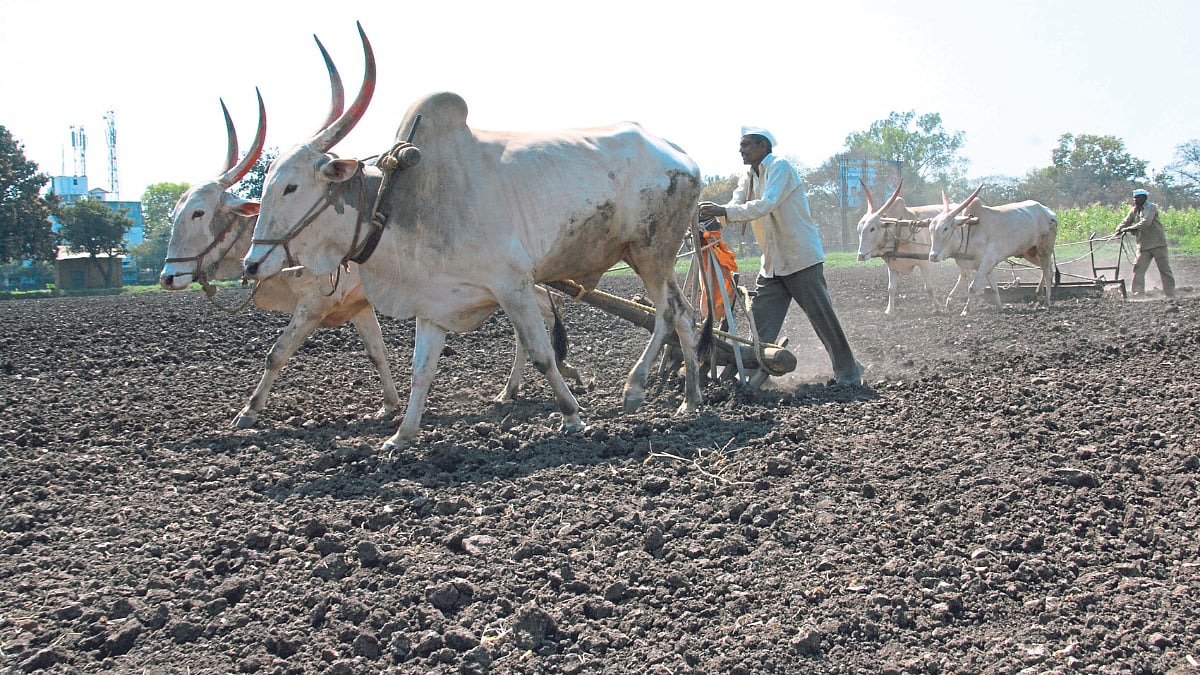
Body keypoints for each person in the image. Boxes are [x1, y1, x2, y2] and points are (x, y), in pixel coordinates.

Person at [699, 127, 863, 387]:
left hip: (800, 258)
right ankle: (756, 374)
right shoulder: (749, 177)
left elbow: (767, 203)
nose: (741, 150)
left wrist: (723, 211)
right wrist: (710, 216)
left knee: (822, 319)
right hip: (772, 264)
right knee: (762, 323)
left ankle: (849, 371)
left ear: (763, 146)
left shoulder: (780, 167)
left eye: (746, 145)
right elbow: (735, 203)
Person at [1116, 188, 1176, 298]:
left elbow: (1146, 222)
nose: (1136, 200)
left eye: (1138, 197)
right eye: (1134, 198)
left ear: (1144, 198)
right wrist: (1119, 229)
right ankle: (1138, 294)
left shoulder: (1151, 207)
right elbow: (1126, 221)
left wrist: (1128, 229)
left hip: (1158, 244)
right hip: (1143, 245)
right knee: (1138, 269)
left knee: (1164, 269)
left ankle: (1170, 294)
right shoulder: (1134, 210)